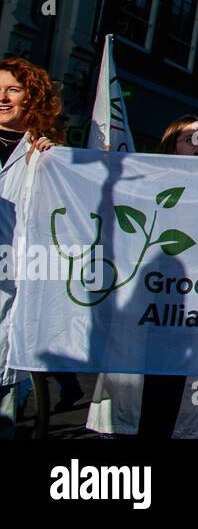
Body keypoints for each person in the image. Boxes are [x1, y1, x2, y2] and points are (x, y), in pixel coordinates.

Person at [87, 115, 198, 439]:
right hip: (147, 312)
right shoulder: (145, 185)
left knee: (176, 404)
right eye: (190, 138)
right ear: (171, 144)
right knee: (143, 404)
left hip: (191, 313)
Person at [0, 58, 59, 438]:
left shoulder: (44, 155)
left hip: (13, 288)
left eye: (13, 90)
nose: (2, 98)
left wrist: (55, 165)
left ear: (31, 98)